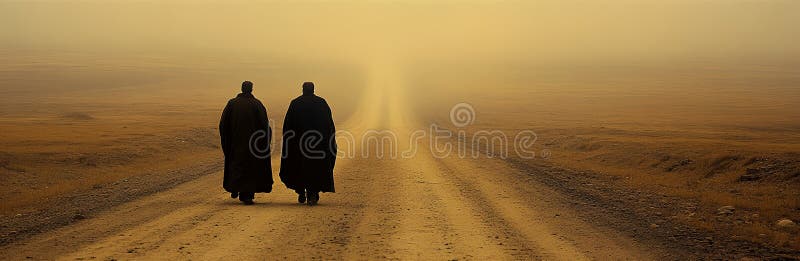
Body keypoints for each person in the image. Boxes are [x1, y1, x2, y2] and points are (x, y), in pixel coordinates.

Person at [280, 82, 337, 206]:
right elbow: (329, 126)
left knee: (299, 167)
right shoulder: (321, 103)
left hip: (298, 144)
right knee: (315, 169)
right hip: (318, 146)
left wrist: (289, 142)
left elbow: (288, 126)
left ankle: (301, 191)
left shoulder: (295, 103)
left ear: (303, 89)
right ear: (313, 89)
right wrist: (328, 142)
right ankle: (312, 193)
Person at [219, 81, 273, 205]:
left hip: (236, 144)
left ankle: (236, 188)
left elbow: (223, 125)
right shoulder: (257, 104)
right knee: (250, 169)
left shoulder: (232, 104)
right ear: (251, 89)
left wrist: (227, 142)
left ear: (242, 89)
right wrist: (264, 144)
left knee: (237, 167)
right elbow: (265, 127)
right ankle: (247, 194)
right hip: (254, 146)